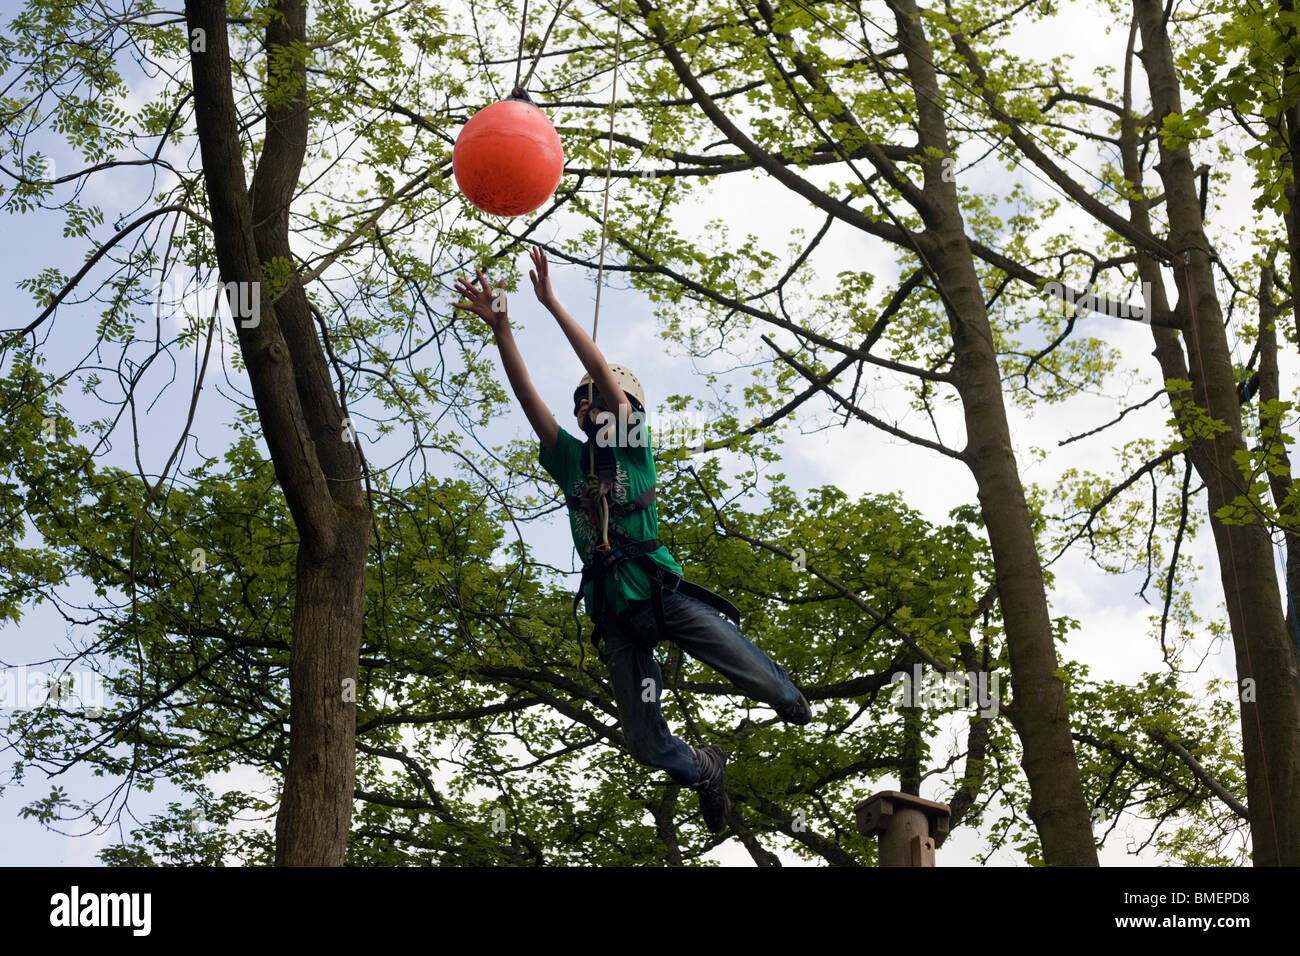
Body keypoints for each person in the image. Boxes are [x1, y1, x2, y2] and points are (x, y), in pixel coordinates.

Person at [452, 246, 811, 834]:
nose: (583, 405)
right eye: (580, 402)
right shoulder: (570, 462)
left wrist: (551, 304)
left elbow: (602, 381)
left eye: (593, 397)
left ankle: (786, 696)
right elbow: (528, 400)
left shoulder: (634, 446)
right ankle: (702, 767)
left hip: (661, 596)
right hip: (618, 618)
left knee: (768, 684)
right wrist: (502, 331)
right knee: (644, 743)